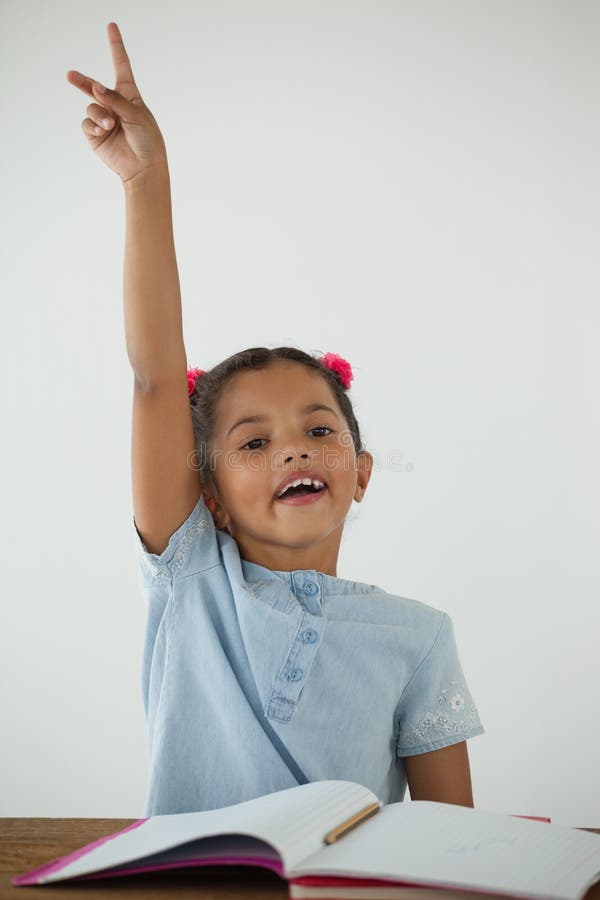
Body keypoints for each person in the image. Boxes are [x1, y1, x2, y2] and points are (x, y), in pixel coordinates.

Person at [67, 22, 484, 817]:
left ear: (361, 472)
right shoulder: (191, 581)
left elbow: (449, 845)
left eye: (320, 430)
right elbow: (158, 379)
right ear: (209, 494)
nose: (294, 447)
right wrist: (143, 181)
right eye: (253, 441)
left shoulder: (418, 636)